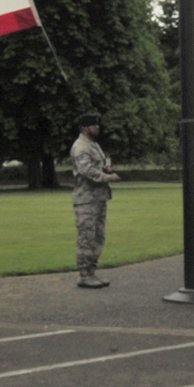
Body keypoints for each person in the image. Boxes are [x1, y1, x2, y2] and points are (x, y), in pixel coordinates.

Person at [69, 112, 121, 289]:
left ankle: (92, 272)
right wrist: (110, 177)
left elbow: (103, 158)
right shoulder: (80, 147)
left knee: (98, 237)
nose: (97, 127)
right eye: (94, 125)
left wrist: (107, 165)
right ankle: (84, 275)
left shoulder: (94, 145)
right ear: (85, 128)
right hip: (86, 200)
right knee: (87, 237)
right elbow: (87, 171)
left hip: (98, 198)